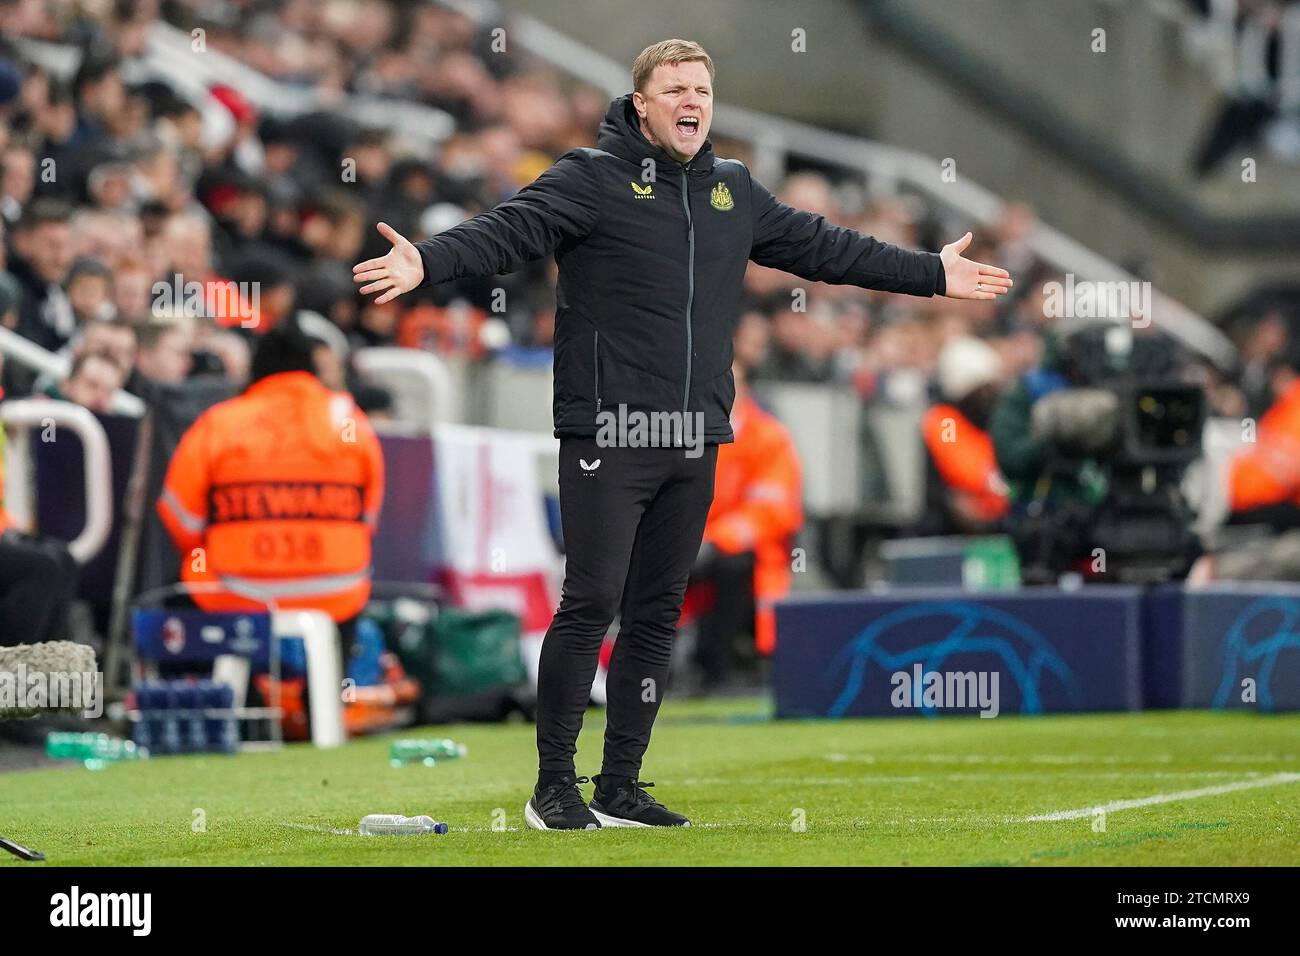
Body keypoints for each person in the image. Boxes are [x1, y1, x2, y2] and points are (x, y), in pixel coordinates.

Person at [353, 38, 1012, 829]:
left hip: (696, 434)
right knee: (591, 600)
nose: (691, 101)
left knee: (658, 613)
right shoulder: (589, 177)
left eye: (700, 88)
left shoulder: (733, 189)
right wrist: (426, 262)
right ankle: (552, 788)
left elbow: (829, 249)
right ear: (642, 105)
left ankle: (620, 785)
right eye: (674, 90)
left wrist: (931, 274)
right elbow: (506, 231)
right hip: (608, 427)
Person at [155, 316, 384, 655]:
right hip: (337, 594)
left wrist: (216, 545)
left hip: (236, 594)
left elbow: (179, 515)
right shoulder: (347, 419)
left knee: (189, 575)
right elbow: (369, 516)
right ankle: (320, 701)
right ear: (311, 369)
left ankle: (243, 696)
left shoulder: (221, 422)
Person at [690, 357, 802, 690]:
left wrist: (713, 539)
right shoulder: (688, 430)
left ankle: (721, 669)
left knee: (730, 565)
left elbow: (774, 509)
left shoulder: (768, 437)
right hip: (690, 541)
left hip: (747, 549)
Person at [919, 336, 1009, 535]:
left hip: (998, 525)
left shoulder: (994, 424)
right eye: (983, 391)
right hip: (950, 531)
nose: (990, 398)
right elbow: (958, 472)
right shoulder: (945, 422)